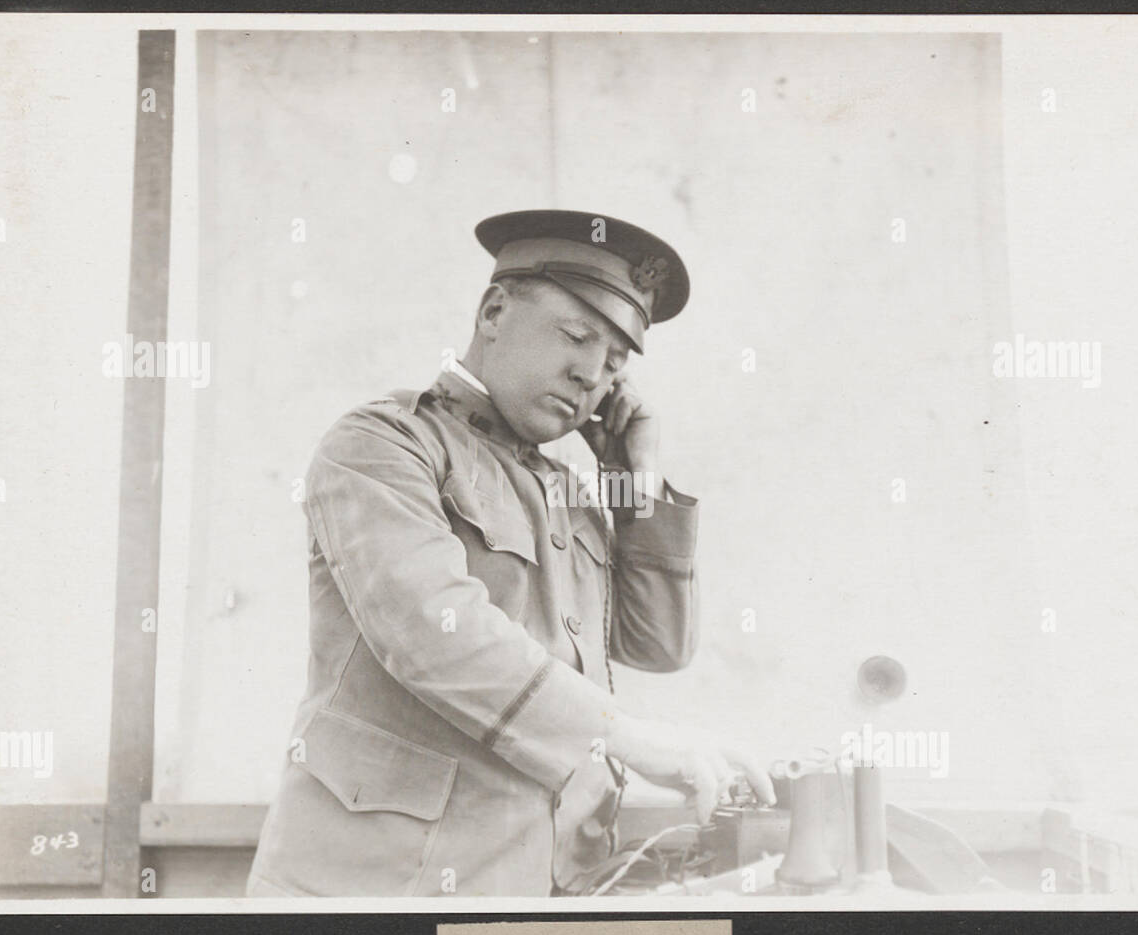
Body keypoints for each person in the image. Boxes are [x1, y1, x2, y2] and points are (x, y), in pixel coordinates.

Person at [246, 210, 773, 898]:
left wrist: (634, 485)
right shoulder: (382, 444)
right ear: (494, 310)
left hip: (538, 891)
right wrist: (628, 736)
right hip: (378, 893)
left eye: (614, 362)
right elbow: (436, 636)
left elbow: (657, 645)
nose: (591, 374)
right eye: (577, 335)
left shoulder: (568, 491)